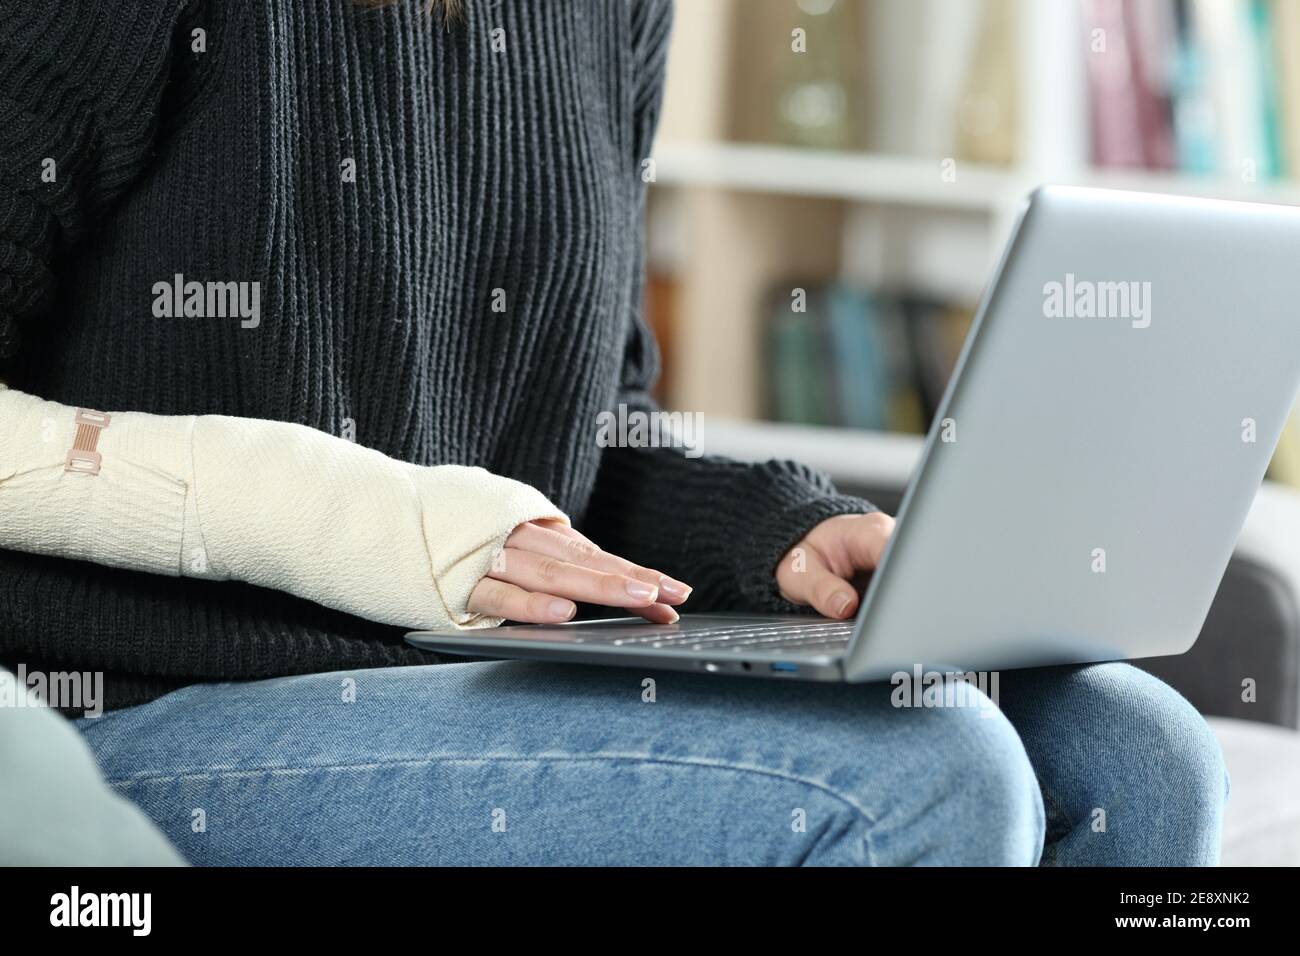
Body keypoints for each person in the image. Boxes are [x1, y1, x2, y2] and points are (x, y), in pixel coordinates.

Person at [0, 0, 1226, 866]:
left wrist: (779, 533)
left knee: (1138, 753)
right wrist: (333, 511)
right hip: (140, 703)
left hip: (462, 669)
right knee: (924, 766)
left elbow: (574, 439)